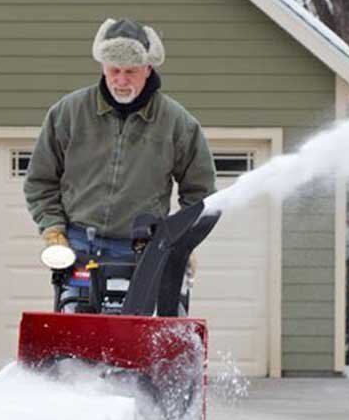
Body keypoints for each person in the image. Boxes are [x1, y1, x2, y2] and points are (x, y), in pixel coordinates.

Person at [24, 18, 217, 268]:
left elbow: (200, 193)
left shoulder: (177, 123)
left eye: (131, 72)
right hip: (79, 244)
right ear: (103, 67)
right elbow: (40, 180)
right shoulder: (69, 113)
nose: (121, 81)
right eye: (115, 70)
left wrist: (180, 240)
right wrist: (53, 229)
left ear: (147, 69)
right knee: (74, 308)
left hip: (145, 249)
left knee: (155, 309)